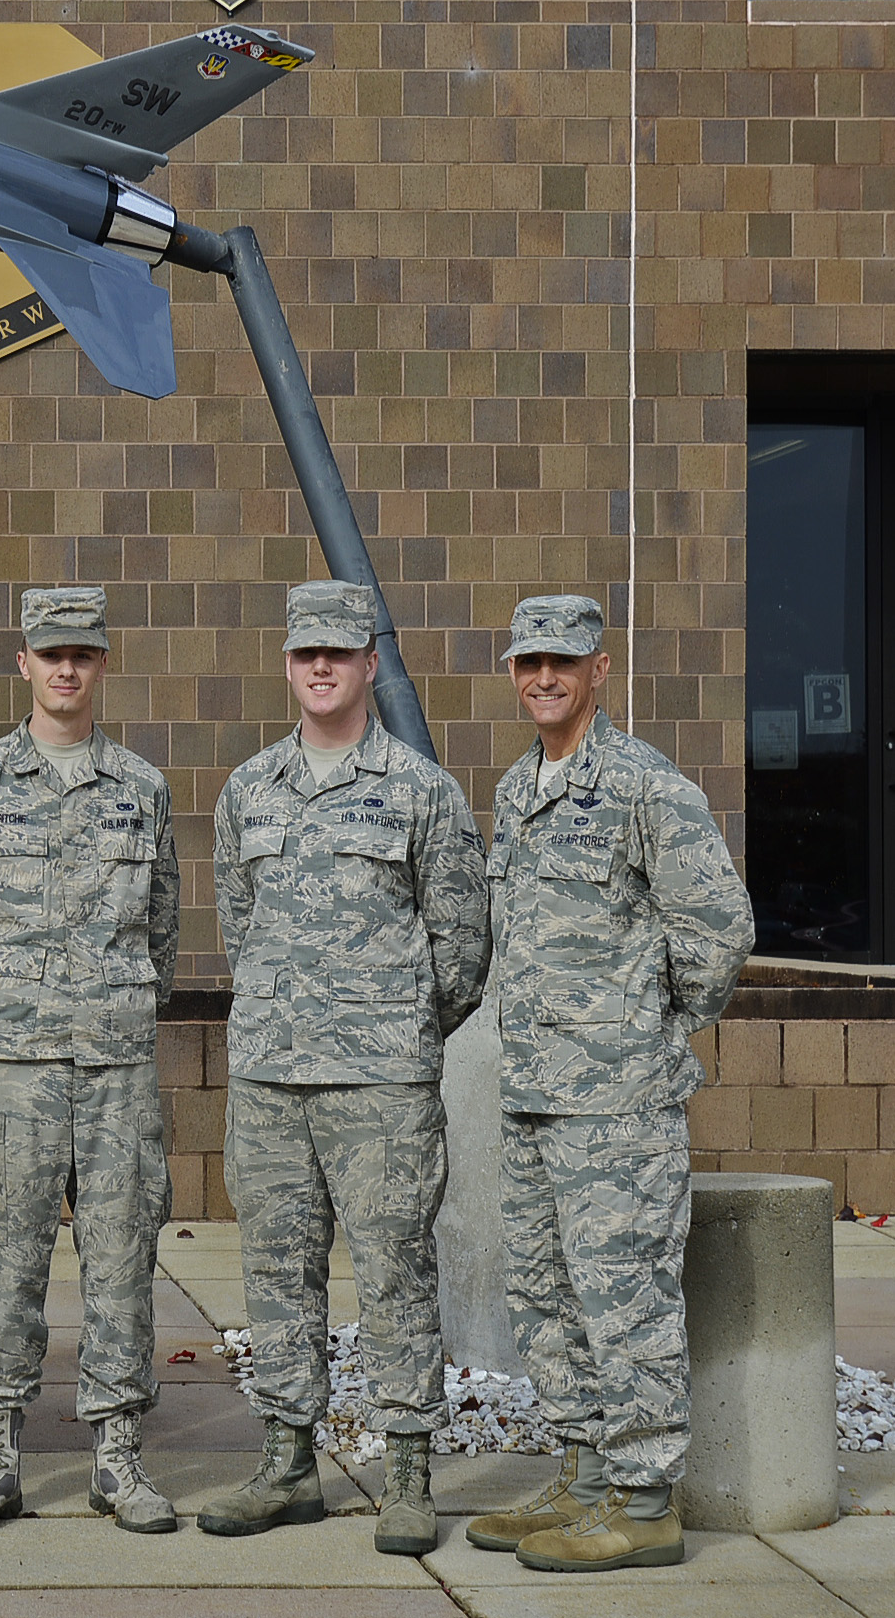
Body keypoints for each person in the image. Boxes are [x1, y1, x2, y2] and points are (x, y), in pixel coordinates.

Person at [463, 595, 753, 1572]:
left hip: (616, 1107)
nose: (541, 677)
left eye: (561, 660)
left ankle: (641, 1501)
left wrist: (651, 1025)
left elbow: (716, 925)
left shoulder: (641, 786)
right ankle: (584, 1475)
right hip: (533, 1095)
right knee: (546, 1299)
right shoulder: (513, 789)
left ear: (598, 668)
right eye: (526, 662)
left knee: (622, 1299)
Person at [203, 580, 489, 1556]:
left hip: (380, 1088)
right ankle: (286, 1464)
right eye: (303, 653)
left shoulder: (419, 790)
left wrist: (395, 1030)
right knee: (275, 1272)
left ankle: (405, 1472)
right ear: (287, 666)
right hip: (271, 1083)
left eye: (339, 651)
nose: (320, 667)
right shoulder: (247, 790)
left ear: (369, 664)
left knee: (394, 1275)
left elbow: (459, 949)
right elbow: (237, 927)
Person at [0, 586, 181, 1536]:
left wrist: (107, 1016)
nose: (66, 667)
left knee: (121, 1263)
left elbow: (161, 927)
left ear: (102, 663)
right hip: (7, 1068)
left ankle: (118, 1459)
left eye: (83, 652)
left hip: (113, 1069)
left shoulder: (141, 788)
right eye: (50, 652)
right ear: (21, 663)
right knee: (4, 1265)